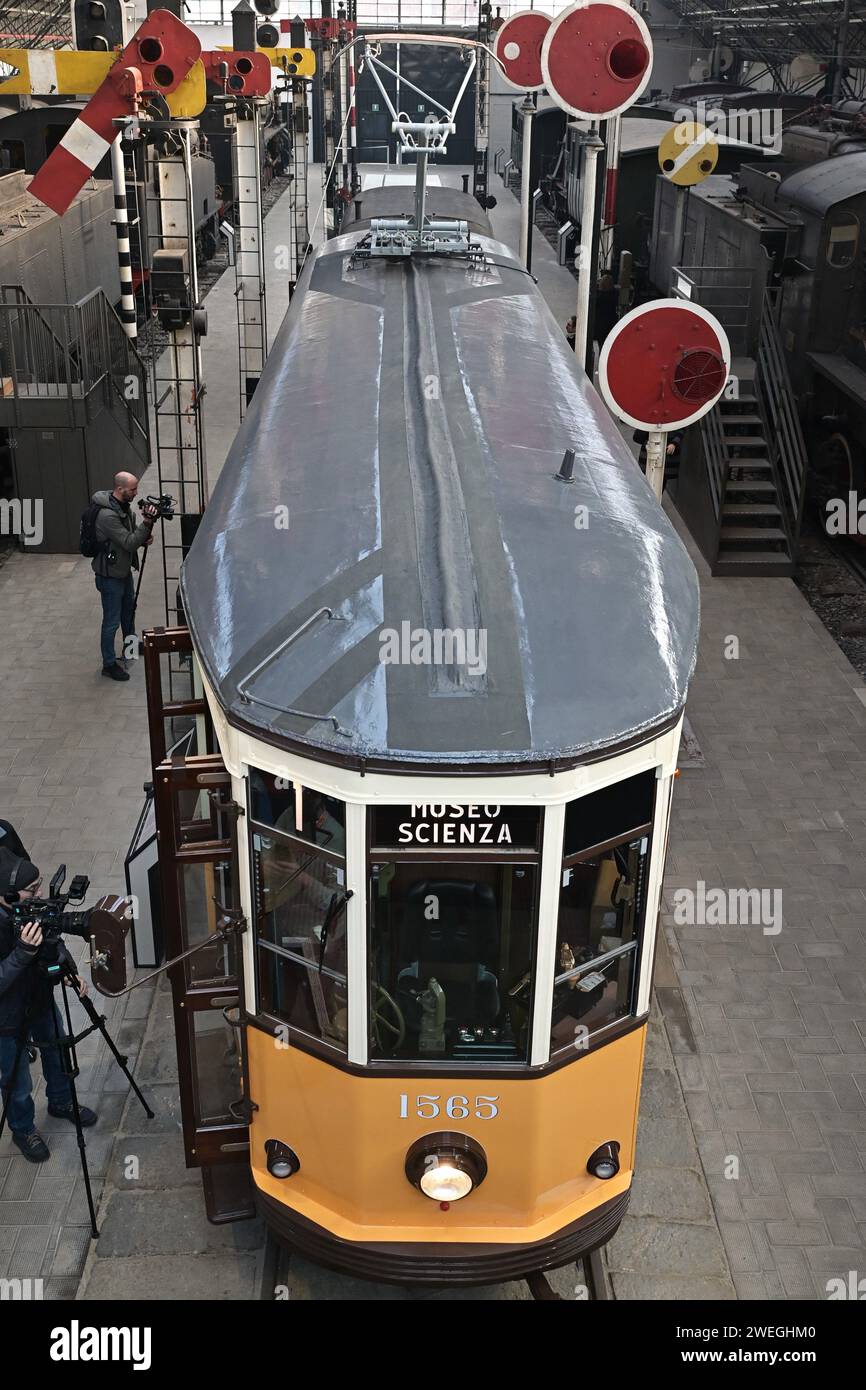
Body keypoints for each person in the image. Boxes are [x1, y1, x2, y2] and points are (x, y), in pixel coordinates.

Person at [0, 850, 98, 1163]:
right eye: (33, 889)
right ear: (9, 895)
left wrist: (70, 971)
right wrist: (23, 953)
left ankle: (60, 1101)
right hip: (6, 1017)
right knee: (16, 1080)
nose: (40, 894)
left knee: (58, 1049)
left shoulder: (30, 910)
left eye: (41, 885)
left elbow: (54, 939)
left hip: (40, 996)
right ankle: (22, 1128)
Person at [90, 472, 155, 683]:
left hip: (122, 571)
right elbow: (128, 542)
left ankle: (130, 646)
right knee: (111, 622)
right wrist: (145, 525)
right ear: (120, 489)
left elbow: (128, 538)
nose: (136, 493)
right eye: (133, 489)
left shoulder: (121, 507)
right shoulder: (107, 516)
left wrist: (142, 537)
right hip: (110, 577)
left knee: (128, 611)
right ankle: (109, 665)